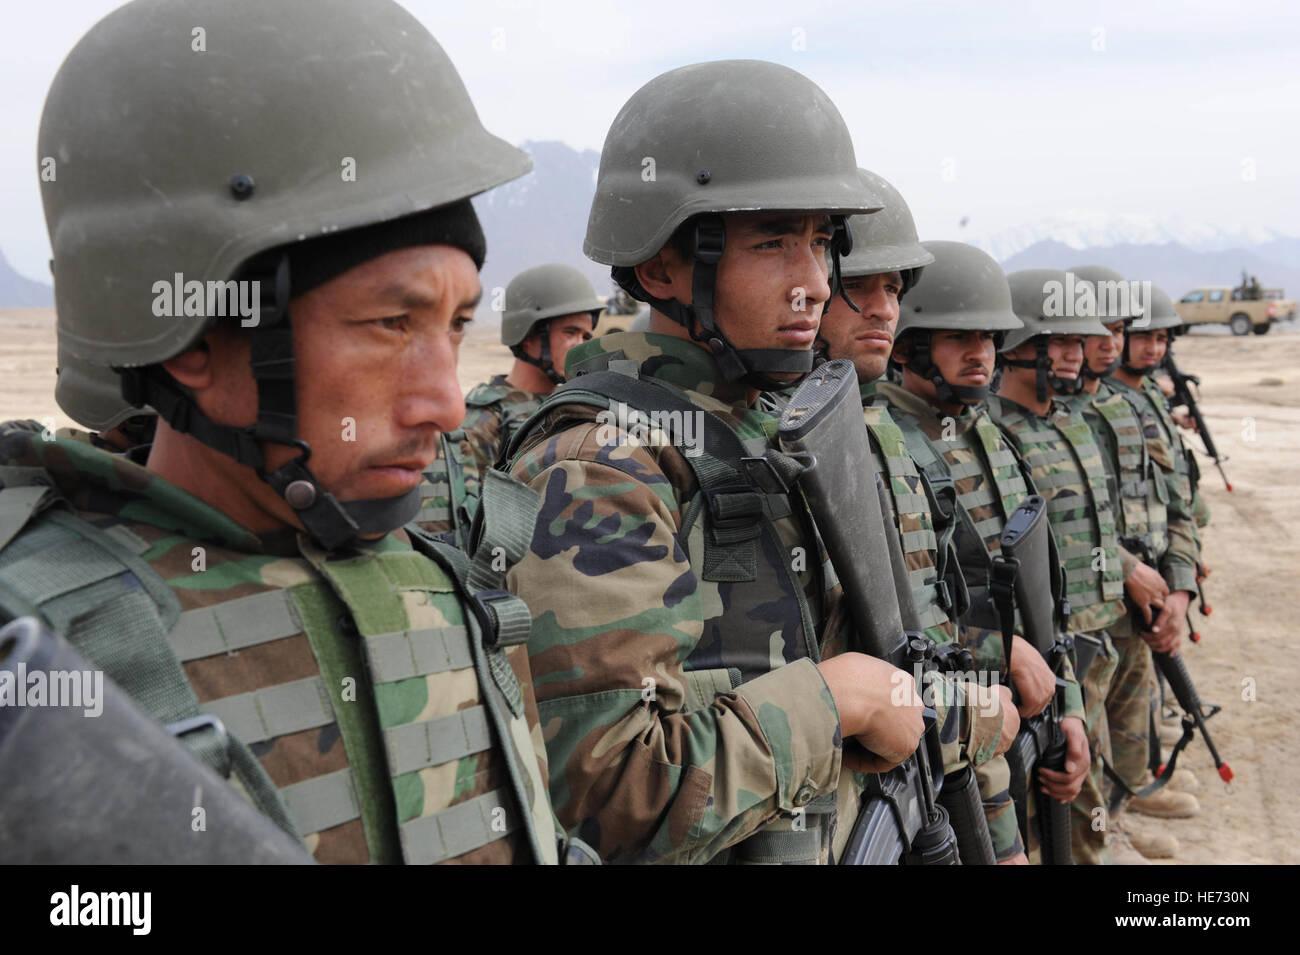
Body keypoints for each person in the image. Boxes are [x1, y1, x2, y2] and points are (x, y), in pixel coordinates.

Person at [0, 0, 585, 865]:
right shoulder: (33, 659)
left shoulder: (442, 583)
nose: (446, 403)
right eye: (391, 323)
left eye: (458, 323)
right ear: (195, 339)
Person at [502, 60, 1011, 864]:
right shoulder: (601, 465)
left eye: (821, 243)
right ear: (661, 267)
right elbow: (606, 795)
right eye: (773, 242)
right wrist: (831, 704)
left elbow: (875, 660)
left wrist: (961, 712)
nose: (814, 284)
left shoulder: (778, 432)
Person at [815, 182, 1028, 863]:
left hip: (934, 740)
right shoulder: (803, 440)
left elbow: (941, 610)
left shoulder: (893, 437)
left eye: (893, 289)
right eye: (858, 286)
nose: (884, 307)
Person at [875, 242, 1090, 864]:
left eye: (990, 337)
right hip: (952, 730)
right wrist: (1000, 651)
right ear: (908, 347)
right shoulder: (883, 446)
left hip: (1028, 703)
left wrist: (1070, 706)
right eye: (957, 337)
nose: (980, 353)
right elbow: (898, 621)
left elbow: (1044, 590)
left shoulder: (989, 433)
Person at [1064, 267, 1203, 860]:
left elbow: (1170, 502)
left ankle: (1117, 818)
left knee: (1124, 721)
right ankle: (1101, 834)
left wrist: (1179, 586)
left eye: (1120, 330)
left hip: (1140, 600)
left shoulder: (1123, 409)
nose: (1111, 343)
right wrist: (1124, 568)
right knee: (1083, 739)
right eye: (1098, 330)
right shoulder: (1034, 418)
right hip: (1086, 606)